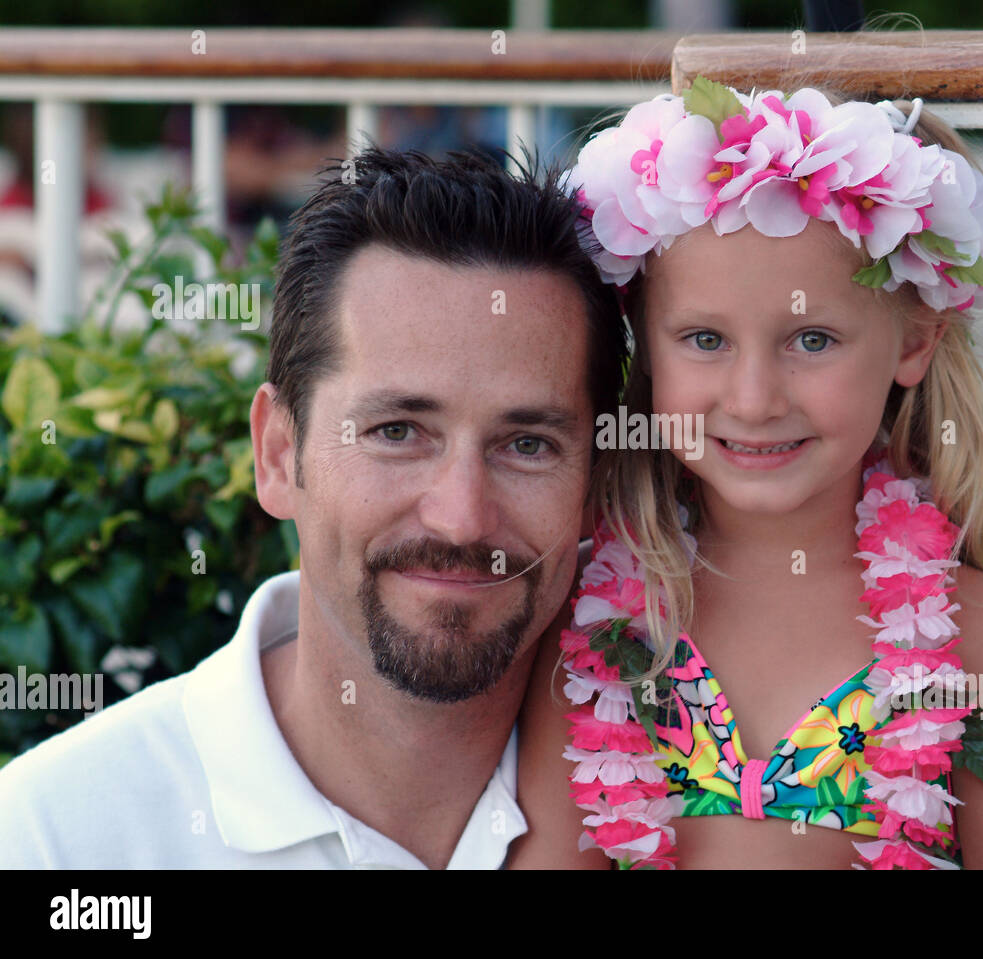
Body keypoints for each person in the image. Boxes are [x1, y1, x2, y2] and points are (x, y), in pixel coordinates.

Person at [0, 147, 627, 869]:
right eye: (397, 432)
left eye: (527, 444)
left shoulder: (689, 810)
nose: (462, 519)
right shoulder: (58, 839)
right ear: (276, 454)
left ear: (596, 485)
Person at [508, 78, 983, 869]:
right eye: (705, 339)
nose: (753, 399)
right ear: (644, 339)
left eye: (811, 341)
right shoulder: (597, 625)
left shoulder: (973, 630)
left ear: (914, 340)